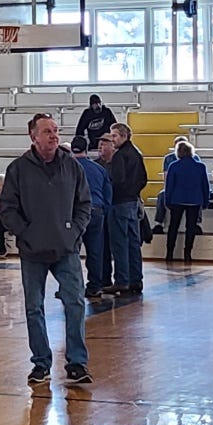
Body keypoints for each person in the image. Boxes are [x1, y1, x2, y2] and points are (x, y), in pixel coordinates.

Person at [0, 114, 94, 386]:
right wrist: (26, 232)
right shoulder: (18, 169)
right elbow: (8, 209)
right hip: (32, 251)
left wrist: (74, 232)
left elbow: (84, 204)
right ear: (33, 137)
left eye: (55, 130)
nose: (53, 135)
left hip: (66, 248)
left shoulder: (72, 166)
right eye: (47, 131)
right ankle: (41, 363)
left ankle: (77, 363)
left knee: (75, 303)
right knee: (34, 308)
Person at [105, 123, 147, 295]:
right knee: (133, 244)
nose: (112, 139)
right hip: (132, 202)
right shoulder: (136, 153)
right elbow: (143, 179)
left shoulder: (120, 156)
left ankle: (122, 281)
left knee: (119, 244)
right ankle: (136, 280)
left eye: (114, 135)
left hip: (119, 203)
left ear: (124, 136)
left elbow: (118, 181)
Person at [73, 138, 112, 298]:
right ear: (87, 148)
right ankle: (95, 285)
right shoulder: (99, 169)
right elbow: (108, 193)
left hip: (74, 213)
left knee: (71, 251)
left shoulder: (67, 168)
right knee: (95, 250)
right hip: (96, 210)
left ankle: (71, 287)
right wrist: (103, 210)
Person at [160, 141, 208, 262]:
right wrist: (205, 201)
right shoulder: (200, 166)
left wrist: (167, 201)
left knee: (173, 227)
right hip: (194, 200)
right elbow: (205, 185)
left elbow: (169, 186)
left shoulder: (173, 166)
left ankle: (169, 253)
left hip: (177, 200)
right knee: (191, 227)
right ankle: (187, 254)